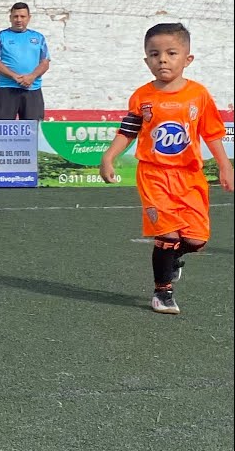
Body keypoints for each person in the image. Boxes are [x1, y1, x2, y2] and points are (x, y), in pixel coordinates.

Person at [98, 23, 233, 314]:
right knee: (168, 236)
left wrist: (225, 166)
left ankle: (171, 262)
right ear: (146, 60)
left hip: (190, 177)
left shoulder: (198, 95)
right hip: (154, 174)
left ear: (187, 59)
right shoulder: (142, 96)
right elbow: (128, 130)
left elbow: (211, 133)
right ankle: (163, 292)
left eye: (171, 53)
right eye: (154, 53)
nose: (162, 59)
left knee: (196, 240)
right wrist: (109, 156)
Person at [0, 2, 51, 121]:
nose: (19, 19)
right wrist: (14, 76)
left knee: (33, 132)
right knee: (1, 131)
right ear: (10, 18)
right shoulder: (0, 36)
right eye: (15, 16)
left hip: (32, 89)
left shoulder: (38, 37)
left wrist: (31, 77)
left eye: (22, 16)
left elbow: (45, 62)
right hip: (6, 90)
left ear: (29, 18)